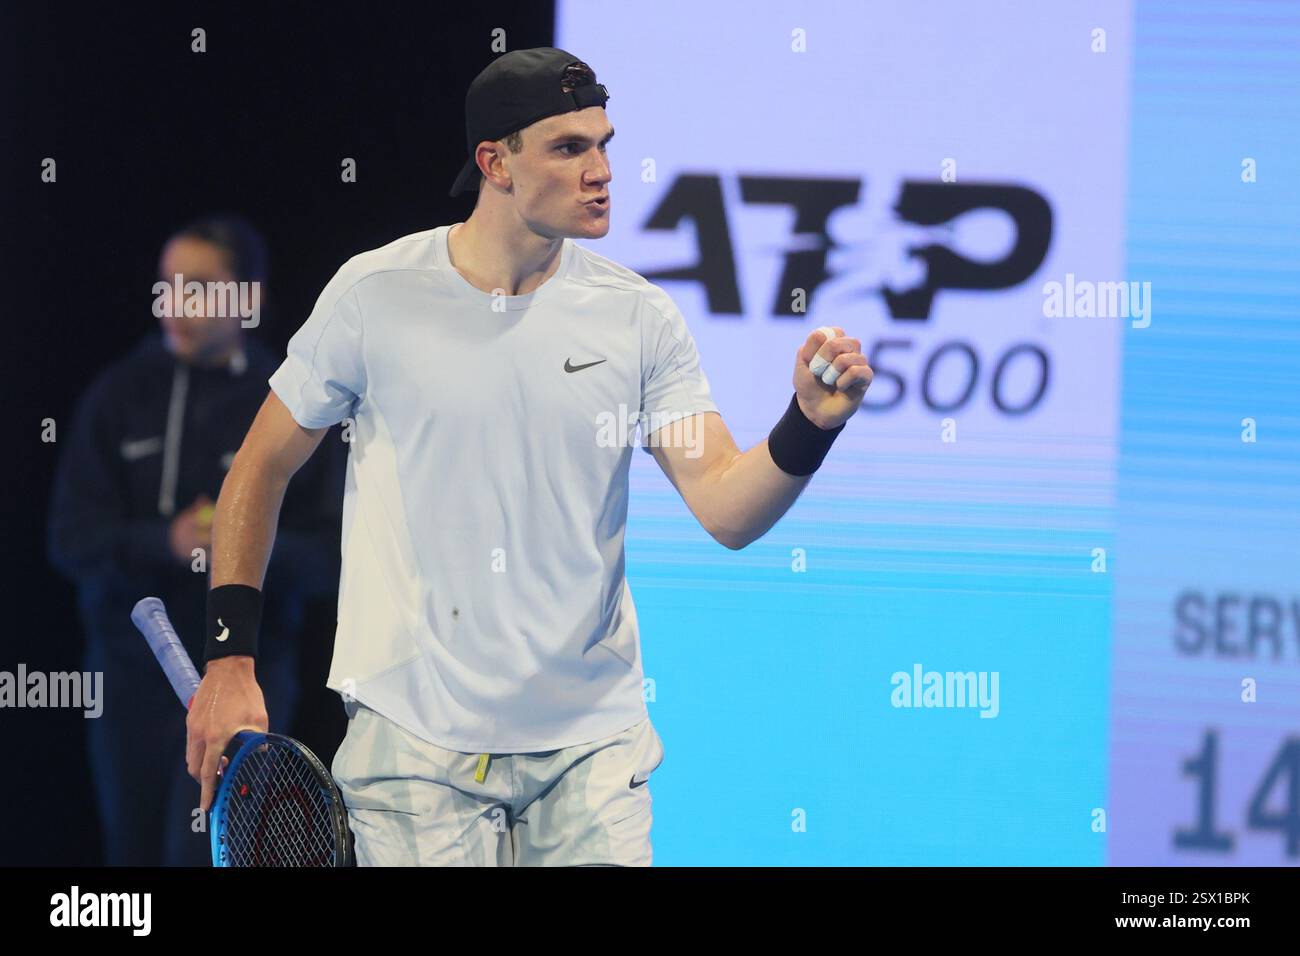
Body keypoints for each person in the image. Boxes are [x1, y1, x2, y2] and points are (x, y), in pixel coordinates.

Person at [187, 48, 873, 866]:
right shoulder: (375, 295)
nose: (602, 171)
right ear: (495, 163)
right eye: (569, 148)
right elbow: (258, 468)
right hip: (415, 748)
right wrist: (230, 656)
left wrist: (807, 424)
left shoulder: (638, 319)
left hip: (591, 752)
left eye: (605, 144)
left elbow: (726, 505)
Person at [47, 215, 346, 865]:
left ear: (250, 298)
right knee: (131, 858)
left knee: (207, 854)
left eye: (201, 286)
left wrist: (241, 540)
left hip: (249, 681)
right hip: (129, 685)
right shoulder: (117, 395)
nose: (176, 304)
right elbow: (71, 539)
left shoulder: (291, 403)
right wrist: (170, 541)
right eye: (168, 286)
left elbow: (331, 557)